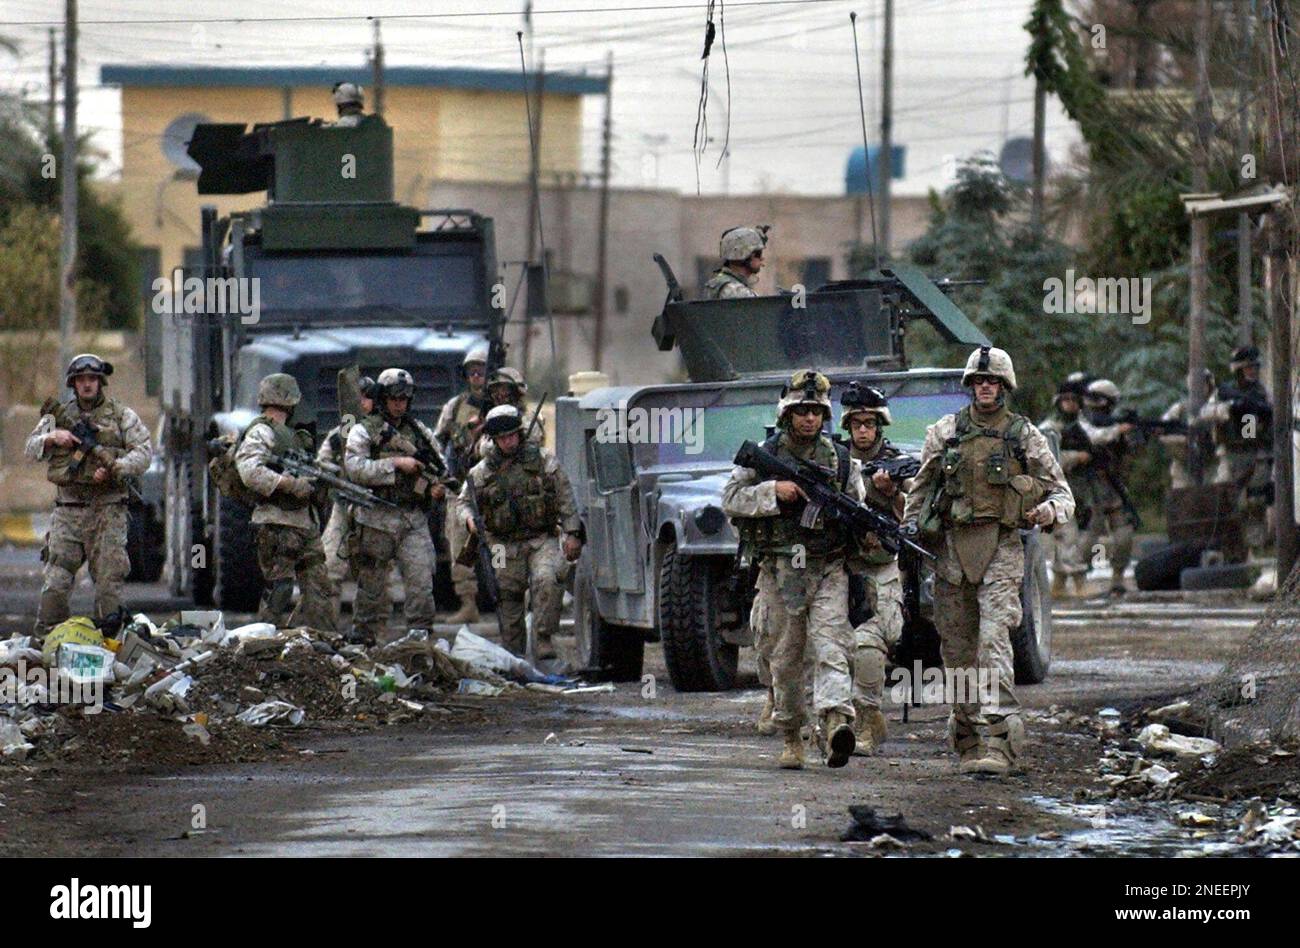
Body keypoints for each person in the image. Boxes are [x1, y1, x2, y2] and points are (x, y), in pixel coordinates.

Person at [902, 346, 1073, 775]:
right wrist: (907, 530)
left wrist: (1049, 512)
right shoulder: (944, 433)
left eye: (993, 381)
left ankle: (1000, 741)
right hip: (950, 551)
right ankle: (968, 735)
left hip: (1001, 547)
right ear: (969, 386)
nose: (985, 388)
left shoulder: (1024, 435)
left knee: (994, 640)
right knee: (956, 651)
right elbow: (920, 491)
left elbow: (1062, 493)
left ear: (1005, 387)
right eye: (979, 381)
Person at [723, 369, 862, 770]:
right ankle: (791, 734)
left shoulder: (841, 462)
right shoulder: (765, 456)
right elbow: (730, 498)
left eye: (816, 411)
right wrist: (773, 492)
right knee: (784, 657)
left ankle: (837, 723)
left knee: (833, 647)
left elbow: (857, 507)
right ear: (787, 414)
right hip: (780, 571)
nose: (809, 419)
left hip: (828, 567)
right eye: (801, 411)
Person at [25, 354, 152, 638]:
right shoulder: (57, 416)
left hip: (107, 512)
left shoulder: (121, 415)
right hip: (68, 511)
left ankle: (112, 645)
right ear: (73, 383)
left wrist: (116, 468)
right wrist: (51, 438)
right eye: (81, 379)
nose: (87, 384)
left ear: (100, 382)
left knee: (109, 585)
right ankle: (50, 643)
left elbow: (144, 453)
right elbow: (30, 449)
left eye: (92, 379)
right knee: (56, 582)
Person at [457, 405, 583, 659]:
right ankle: (513, 652)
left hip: (541, 538)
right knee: (506, 595)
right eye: (503, 438)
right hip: (502, 545)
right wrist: (469, 521)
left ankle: (544, 637)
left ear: (521, 434)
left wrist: (572, 532)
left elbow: (565, 497)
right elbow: (463, 502)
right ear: (494, 440)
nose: (509, 442)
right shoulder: (482, 471)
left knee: (547, 579)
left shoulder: (543, 461)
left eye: (513, 435)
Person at [343, 368, 445, 645]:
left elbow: (440, 467)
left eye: (404, 398)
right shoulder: (365, 430)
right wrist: (396, 464)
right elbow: (353, 468)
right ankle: (362, 641)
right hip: (376, 518)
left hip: (412, 519)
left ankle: (419, 642)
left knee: (421, 582)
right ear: (383, 398)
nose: (399, 403)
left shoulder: (419, 432)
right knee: (371, 589)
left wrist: (436, 486)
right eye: (394, 398)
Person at [234, 373, 338, 631]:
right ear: (290, 401)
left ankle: (323, 644)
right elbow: (249, 471)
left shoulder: (292, 435)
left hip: (303, 522)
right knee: (279, 591)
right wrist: (289, 484)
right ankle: (262, 644)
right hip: (276, 522)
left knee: (319, 588)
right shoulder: (261, 431)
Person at [839, 382, 906, 756]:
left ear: (879, 426)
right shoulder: (833, 460)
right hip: (837, 567)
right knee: (827, 649)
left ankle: (867, 717)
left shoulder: (897, 464)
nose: (863, 430)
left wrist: (892, 492)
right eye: (857, 423)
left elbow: (916, 515)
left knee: (868, 645)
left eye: (869, 423)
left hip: (880, 568)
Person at [434, 348, 491, 623]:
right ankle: (468, 603)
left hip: (492, 489)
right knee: (459, 547)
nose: (477, 376)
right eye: (472, 371)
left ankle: (509, 603)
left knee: (503, 550)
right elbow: (438, 441)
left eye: (481, 370)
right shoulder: (455, 406)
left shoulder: (501, 406)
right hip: (460, 487)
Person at [1200, 346, 1274, 553]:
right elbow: (1205, 413)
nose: (1253, 371)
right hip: (1231, 455)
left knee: (1256, 501)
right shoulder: (1225, 392)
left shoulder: (1262, 393)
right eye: (1248, 367)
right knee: (1221, 500)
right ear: (1238, 370)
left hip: (1258, 454)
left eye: (1255, 367)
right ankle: (1224, 547)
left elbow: (1264, 420)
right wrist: (1230, 408)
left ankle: (1254, 548)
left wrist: (1255, 411)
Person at [1075, 378, 1139, 596]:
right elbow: (1092, 438)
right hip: (1089, 486)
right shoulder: (1079, 421)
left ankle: (1117, 578)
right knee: (1091, 533)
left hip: (1113, 484)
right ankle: (1078, 578)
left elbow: (1131, 453)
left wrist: (1130, 436)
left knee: (1124, 533)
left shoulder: (1112, 424)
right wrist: (1117, 430)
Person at [318, 376, 377, 606]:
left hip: (376, 511)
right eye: (358, 398)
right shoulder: (339, 435)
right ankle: (329, 629)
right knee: (329, 566)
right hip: (343, 508)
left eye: (367, 398)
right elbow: (322, 461)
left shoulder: (382, 433)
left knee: (376, 575)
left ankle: (376, 632)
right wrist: (330, 472)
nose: (362, 403)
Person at [1036, 374, 1092, 597]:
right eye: (1065, 399)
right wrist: (1076, 457)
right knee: (1068, 536)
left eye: (1074, 400)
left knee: (1066, 536)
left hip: (1077, 488)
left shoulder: (1082, 427)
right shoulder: (1049, 429)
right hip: (1053, 490)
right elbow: (1047, 459)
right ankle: (1078, 582)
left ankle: (1059, 584)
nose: (1070, 404)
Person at [1159, 368, 1216, 490]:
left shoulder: (1216, 408)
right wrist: (1184, 440)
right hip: (1184, 469)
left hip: (1211, 467)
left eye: (1203, 384)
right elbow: (1163, 431)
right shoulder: (1180, 408)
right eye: (1196, 385)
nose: (1200, 388)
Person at [702, 225, 769, 300]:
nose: (762, 258)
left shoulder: (721, 282)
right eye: (758, 254)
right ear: (744, 256)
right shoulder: (736, 292)